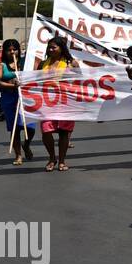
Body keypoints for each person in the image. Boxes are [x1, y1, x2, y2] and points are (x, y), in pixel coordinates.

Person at [37, 36, 78, 172]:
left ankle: (61, 161)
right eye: (49, 47)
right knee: (46, 131)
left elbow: (80, 80)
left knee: (64, 133)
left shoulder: (71, 63)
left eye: (54, 47)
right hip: (46, 102)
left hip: (65, 102)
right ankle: (51, 157)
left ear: (62, 48)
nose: (50, 49)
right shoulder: (42, 64)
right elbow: (35, 81)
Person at [0, 39, 34, 164]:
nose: (12, 52)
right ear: (4, 51)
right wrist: (12, 85)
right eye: (9, 50)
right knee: (14, 128)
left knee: (30, 128)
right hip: (9, 98)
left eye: (14, 49)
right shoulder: (1, 65)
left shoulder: (25, 64)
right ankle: (18, 155)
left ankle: (26, 145)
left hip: (26, 98)